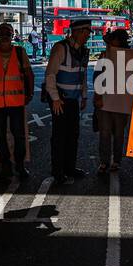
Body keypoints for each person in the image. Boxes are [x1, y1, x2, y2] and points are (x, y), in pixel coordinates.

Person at [45, 15, 92, 186]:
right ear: (77, 32)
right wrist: (55, 99)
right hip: (61, 99)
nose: (89, 35)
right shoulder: (61, 48)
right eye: (87, 32)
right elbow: (50, 74)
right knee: (60, 136)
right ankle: (58, 171)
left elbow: (83, 75)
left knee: (73, 135)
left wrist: (84, 96)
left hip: (73, 100)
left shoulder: (83, 51)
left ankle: (70, 168)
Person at [0, 21, 34, 184]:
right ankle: (5, 167)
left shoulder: (20, 52)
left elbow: (29, 74)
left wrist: (30, 93)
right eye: (2, 33)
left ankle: (20, 166)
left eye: (8, 33)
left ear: (12, 35)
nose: (5, 36)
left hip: (16, 103)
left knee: (19, 136)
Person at [93, 27, 133, 176]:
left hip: (118, 101)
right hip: (109, 100)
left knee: (117, 133)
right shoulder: (106, 55)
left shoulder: (130, 56)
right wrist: (97, 96)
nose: (109, 43)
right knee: (107, 133)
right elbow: (97, 77)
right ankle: (106, 161)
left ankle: (114, 161)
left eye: (112, 40)